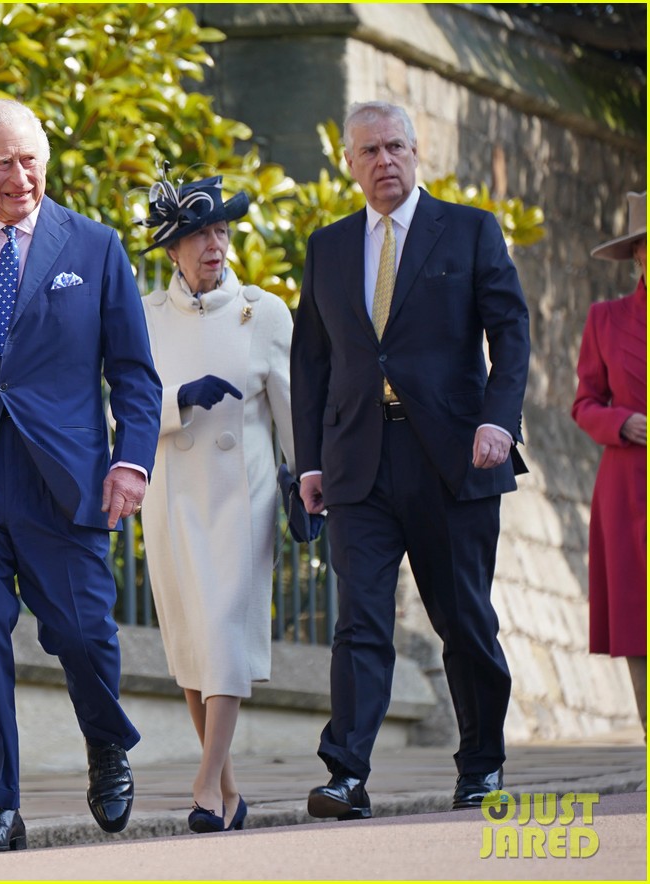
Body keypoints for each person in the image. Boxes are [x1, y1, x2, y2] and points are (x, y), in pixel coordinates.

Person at [0, 98, 162, 853]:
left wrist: (130, 462)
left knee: (83, 633)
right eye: (2, 163)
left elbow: (134, 373)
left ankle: (105, 743)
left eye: (29, 160)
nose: (19, 176)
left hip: (66, 480)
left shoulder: (95, 246)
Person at [290, 101, 530, 819]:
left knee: (463, 620)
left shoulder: (470, 229)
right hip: (357, 462)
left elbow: (511, 333)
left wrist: (498, 419)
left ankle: (481, 765)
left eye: (395, 146)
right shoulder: (328, 247)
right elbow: (311, 362)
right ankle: (346, 774)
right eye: (369, 151)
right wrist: (310, 463)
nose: (384, 161)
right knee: (360, 622)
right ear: (349, 163)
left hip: (452, 457)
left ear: (416, 151)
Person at [135, 166, 294, 833]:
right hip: (172, 494)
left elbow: (291, 413)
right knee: (192, 645)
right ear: (173, 248)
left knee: (224, 630)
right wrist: (178, 401)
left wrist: (305, 483)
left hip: (242, 496)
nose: (215, 245)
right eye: (200, 234)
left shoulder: (265, 313)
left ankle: (203, 785)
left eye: (222, 231)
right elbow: (124, 412)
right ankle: (228, 791)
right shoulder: (143, 317)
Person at [572, 191, 647, 736]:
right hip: (628, 490)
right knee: (637, 622)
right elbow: (584, 403)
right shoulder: (605, 319)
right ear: (638, 254)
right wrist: (621, 423)